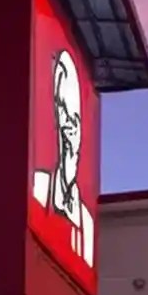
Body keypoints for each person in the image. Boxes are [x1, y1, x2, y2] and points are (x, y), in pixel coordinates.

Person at [33, 49, 95, 267]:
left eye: (75, 119)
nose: (69, 127)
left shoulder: (87, 224)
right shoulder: (37, 191)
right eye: (63, 112)